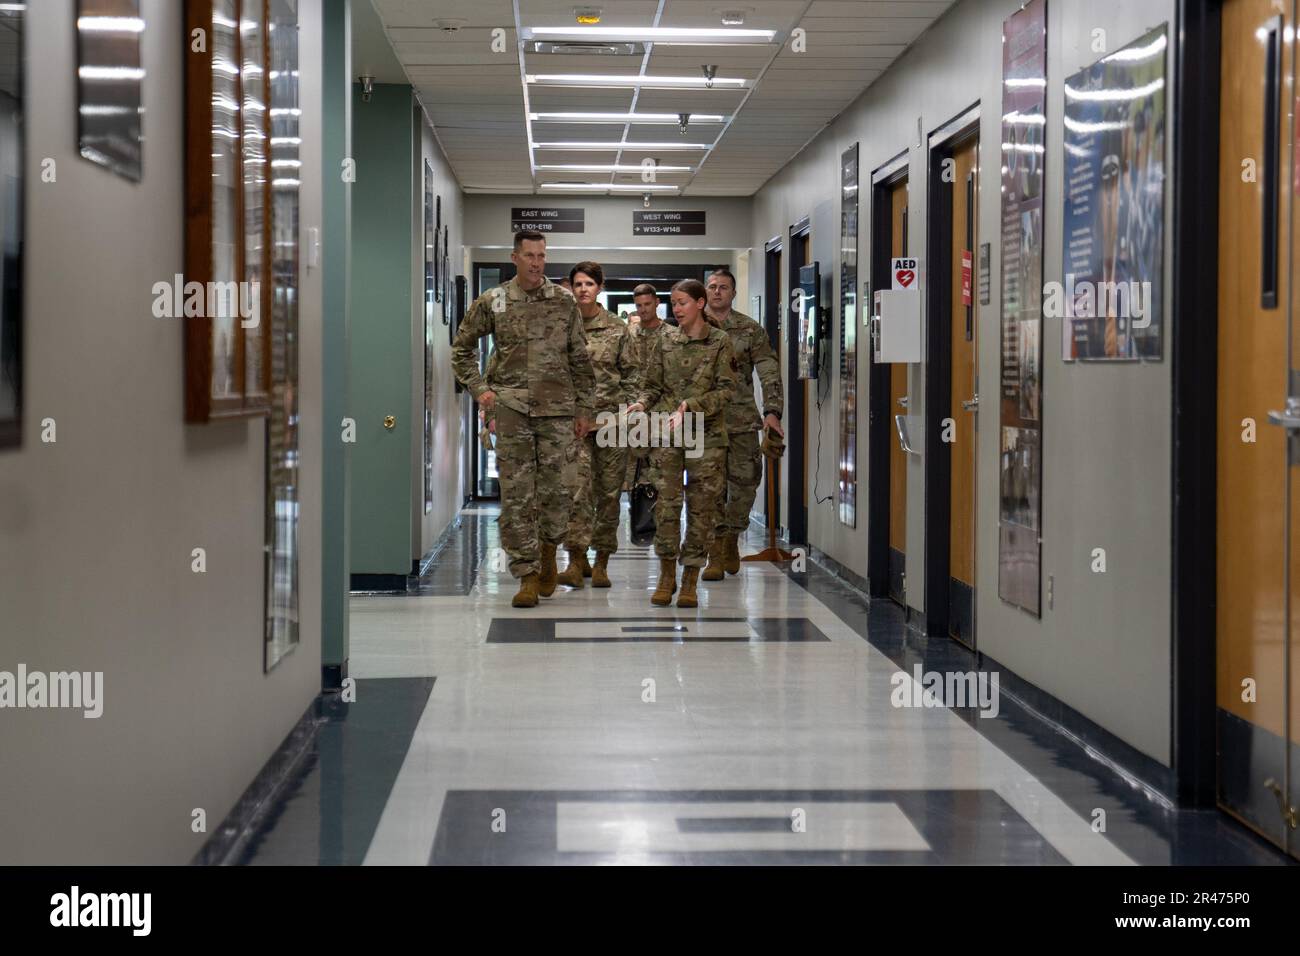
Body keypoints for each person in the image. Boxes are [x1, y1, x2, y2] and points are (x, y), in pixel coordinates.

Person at [451, 230, 595, 608]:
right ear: (515, 258)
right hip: (512, 408)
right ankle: (526, 574)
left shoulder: (563, 302)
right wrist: (480, 389)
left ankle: (549, 551)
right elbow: (462, 348)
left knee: (559, 492)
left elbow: (580, 359)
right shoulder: (494, 301)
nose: (536, 263)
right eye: (529, 255)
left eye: (542, 256)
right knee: (516, 496)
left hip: (559, 412)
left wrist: (585, 410)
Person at [628, 279, 738, 608]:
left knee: (702, 508)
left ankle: (690, 576)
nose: (676, 308)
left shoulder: (720, 342)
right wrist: (642, 403)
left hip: (706, 435)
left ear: (700, 304)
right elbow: (652, 384)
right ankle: (666, 575)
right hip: (668, 434)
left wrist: (691, 405)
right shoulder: (665, 341)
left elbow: (727, 391)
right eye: (673, 303)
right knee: (666, 505)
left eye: (683, 302)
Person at [556, 262, 637, 589]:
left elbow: (633, 375)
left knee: (607, 495)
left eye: (589, 283)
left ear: (600, 287)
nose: (583, 289)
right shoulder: (561, 326)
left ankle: (602, 560)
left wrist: (632, 411)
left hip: (611, 424)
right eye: (578, 284)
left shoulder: (618, 329)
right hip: (574, 424)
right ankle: (577, 561)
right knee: (576, 493)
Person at [701, 268, 784, 580]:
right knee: (708, 489)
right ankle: (714, 551)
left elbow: (768, 370)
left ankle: (731, 536)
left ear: (733, 293)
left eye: (724, 287)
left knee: (746, 483)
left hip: (741, 421)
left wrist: (772, 411)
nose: (718, 291)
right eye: (712, 286)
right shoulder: (691, 328)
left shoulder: (750, 330)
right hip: (703, 423)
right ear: (704, 292)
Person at [624, 283, 670, 491]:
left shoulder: (672, 335)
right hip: (632, 411)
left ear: (657, 303)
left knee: (662, 475)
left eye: (647, 304)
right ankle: (639, 521)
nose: (643, 309)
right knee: (633, 477)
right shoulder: (627, 335)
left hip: (663, 411)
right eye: (639, 305)